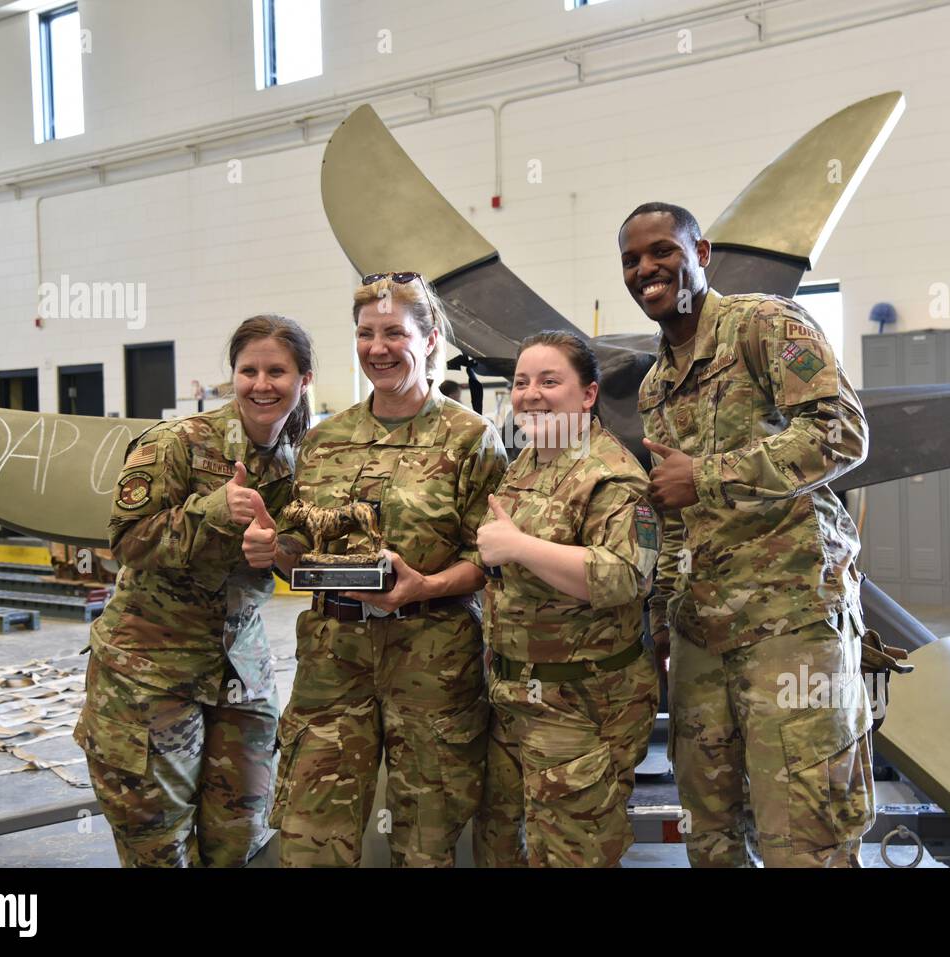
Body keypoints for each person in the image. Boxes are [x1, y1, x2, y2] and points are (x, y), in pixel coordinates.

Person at [620, 202, 875, 867]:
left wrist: (704, 474)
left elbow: (840, 433)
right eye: (631, 260)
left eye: (663, 251)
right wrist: (662, 620)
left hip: (789, 625)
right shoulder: (655, 387)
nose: (647, 268)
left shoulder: (762, 326)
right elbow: (675, 519)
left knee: (804, 832)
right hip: (703, 634)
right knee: (709, 831)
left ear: (700, 254)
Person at [244, 273, 507, 868]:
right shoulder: (323, 441)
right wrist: (270, 548)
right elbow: (298, 549)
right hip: (332, 663)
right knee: (311, 836)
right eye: (366, 334)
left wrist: (427, 586)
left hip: (433, 663)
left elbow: (491, 555)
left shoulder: (471, 439)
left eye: (394, 332)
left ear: (430, 338)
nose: (378, 348)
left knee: (427, 841)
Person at [73, 315, 313, 867]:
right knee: (156, 840)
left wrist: (278, 551)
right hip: (151, 670)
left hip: (240, 674)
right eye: (248, 370)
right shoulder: (177, 443)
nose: (261, 383)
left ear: (303, 379)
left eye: (277, 370)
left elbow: (302, 556)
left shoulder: (302, 460)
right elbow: (126, 539)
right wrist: (212, 512)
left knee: (242, 832)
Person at [471, 331, 660, 868]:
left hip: (582, 708)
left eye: (549, 381)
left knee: (574, 855)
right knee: (502, 848)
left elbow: (628, 576)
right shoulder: (527, 463)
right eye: (522, 382)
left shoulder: (613, 476)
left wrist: (520, 547)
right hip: (513, 700)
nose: (531, 394)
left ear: (588, 395)